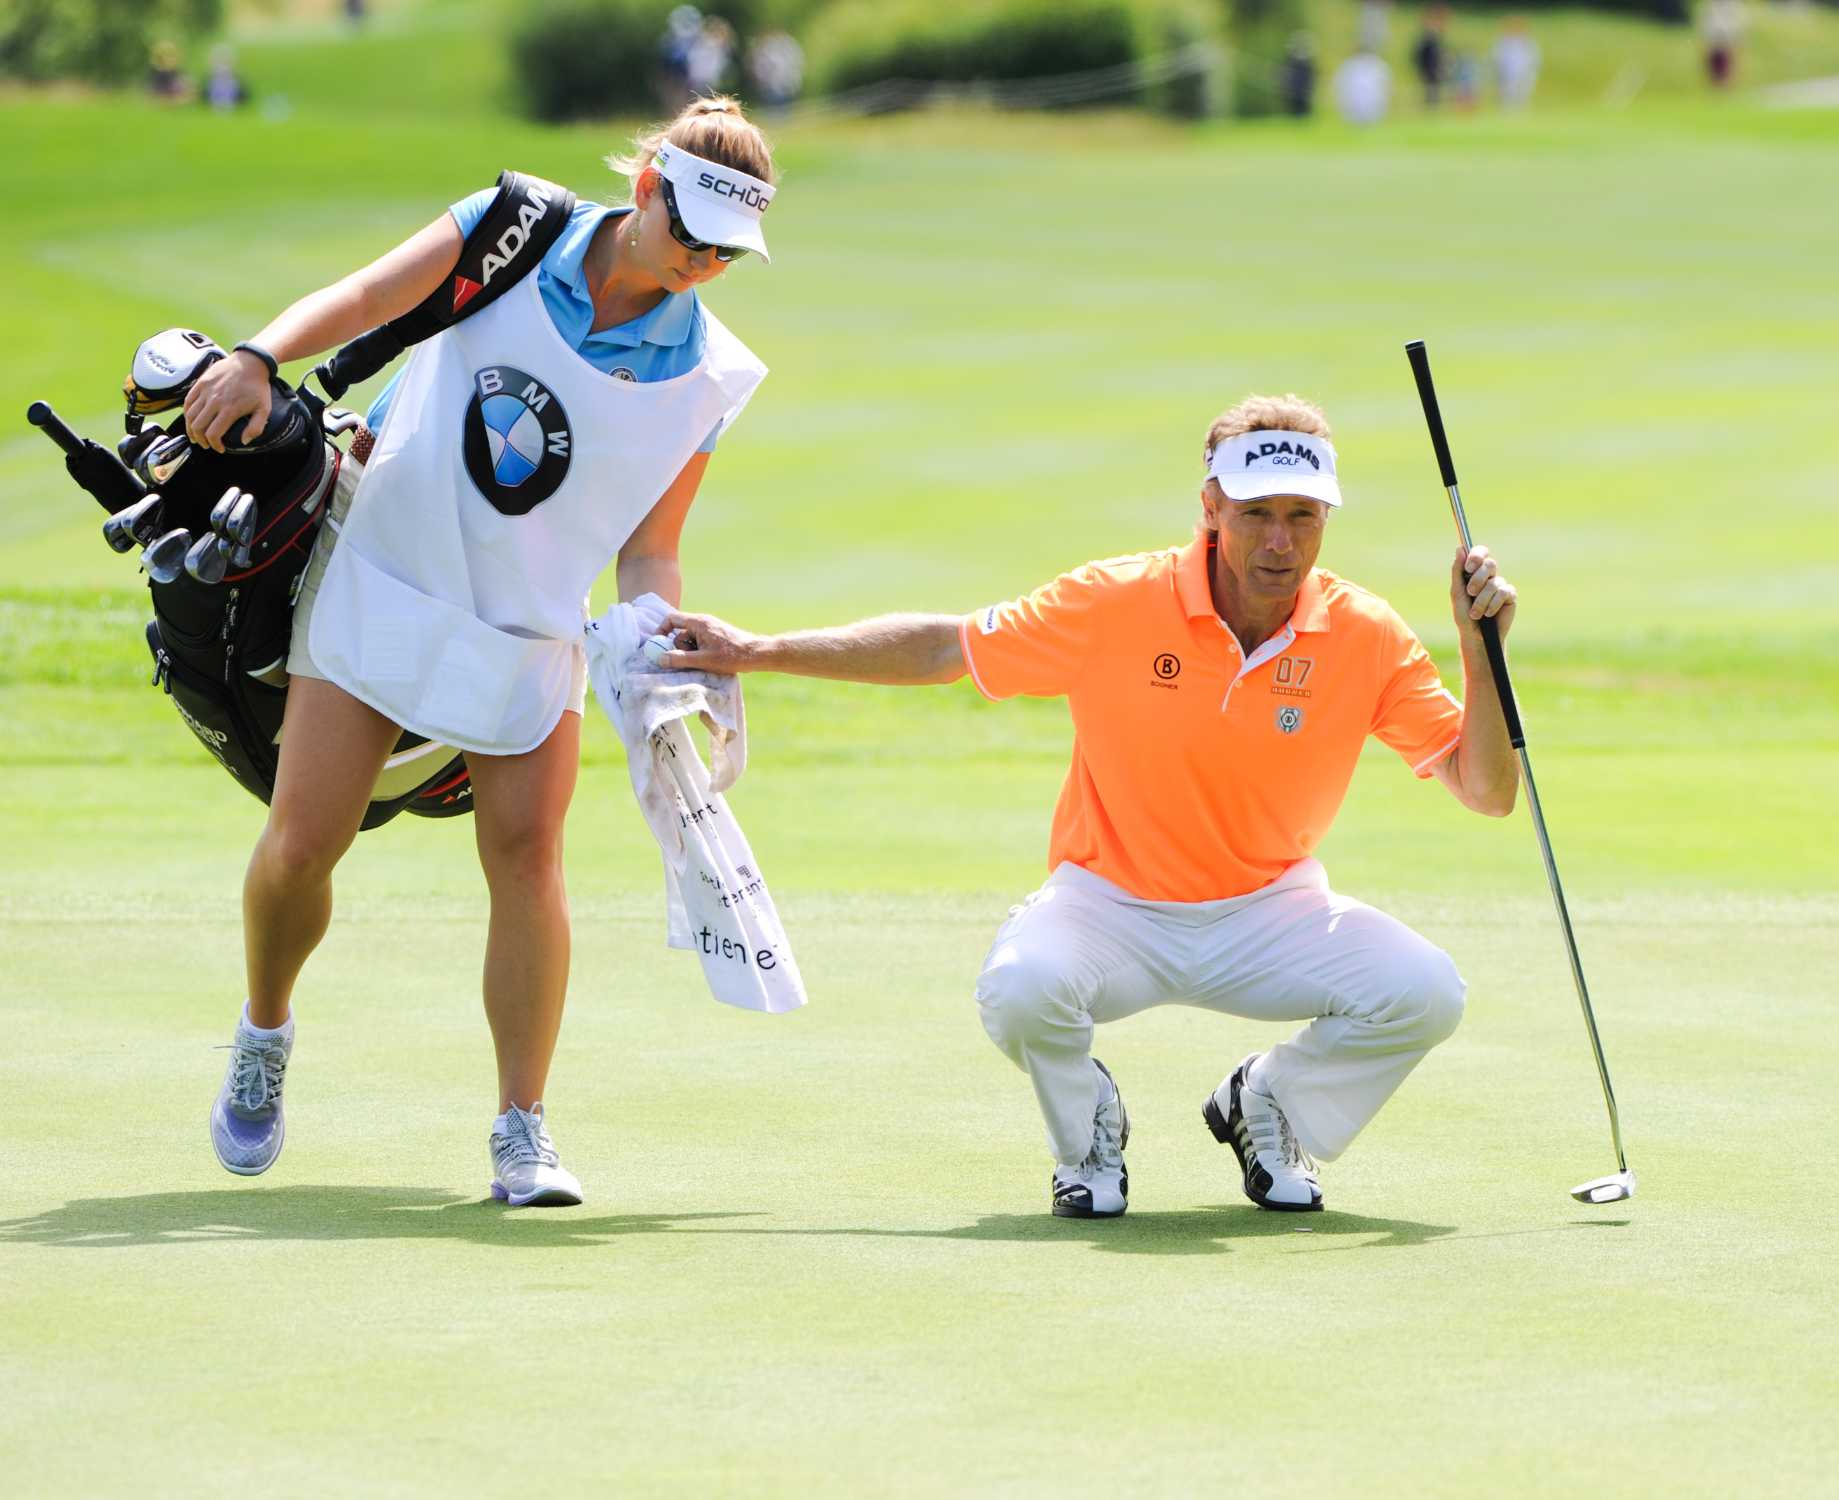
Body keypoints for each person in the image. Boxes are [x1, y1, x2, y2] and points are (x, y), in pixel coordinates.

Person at [657, 395, 1520, 1219]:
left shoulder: (1363, 631)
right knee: (1023, 990)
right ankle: (1087, 1140)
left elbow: (1486, 790)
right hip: (1109, 905)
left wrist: (1481, 653)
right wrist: (757, 651)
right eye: (1256, 512)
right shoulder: (1116, 600)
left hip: (1270, 907)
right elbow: (944, 648)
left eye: (1302, 515)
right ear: (1211, 505)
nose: (1279, 541)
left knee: (1424, 991)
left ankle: (1269, 1105)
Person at [177, 97, 779, 1207]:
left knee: (527, 865)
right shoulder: (518, 225)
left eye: (727, 253)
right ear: (647, 185)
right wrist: (262, 354)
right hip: (386, 573)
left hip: (530, 627)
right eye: (692, 232)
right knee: (302, 847)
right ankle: (265, 1028)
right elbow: (368, 295)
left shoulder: (711, 378)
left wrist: (662, 653)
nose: (704, 263)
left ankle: (523, 1129)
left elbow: (652, 549)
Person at [1495, 16, 1539, 111]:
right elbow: (1497, 56)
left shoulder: (1527, 42)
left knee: (1523, 90)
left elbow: (1534, 57)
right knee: (1508, 89)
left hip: (1525, 70)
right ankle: (1507, 109)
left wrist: (1532, 69)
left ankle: (1521, 108)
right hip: (1508, 70)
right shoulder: (1504, 42)